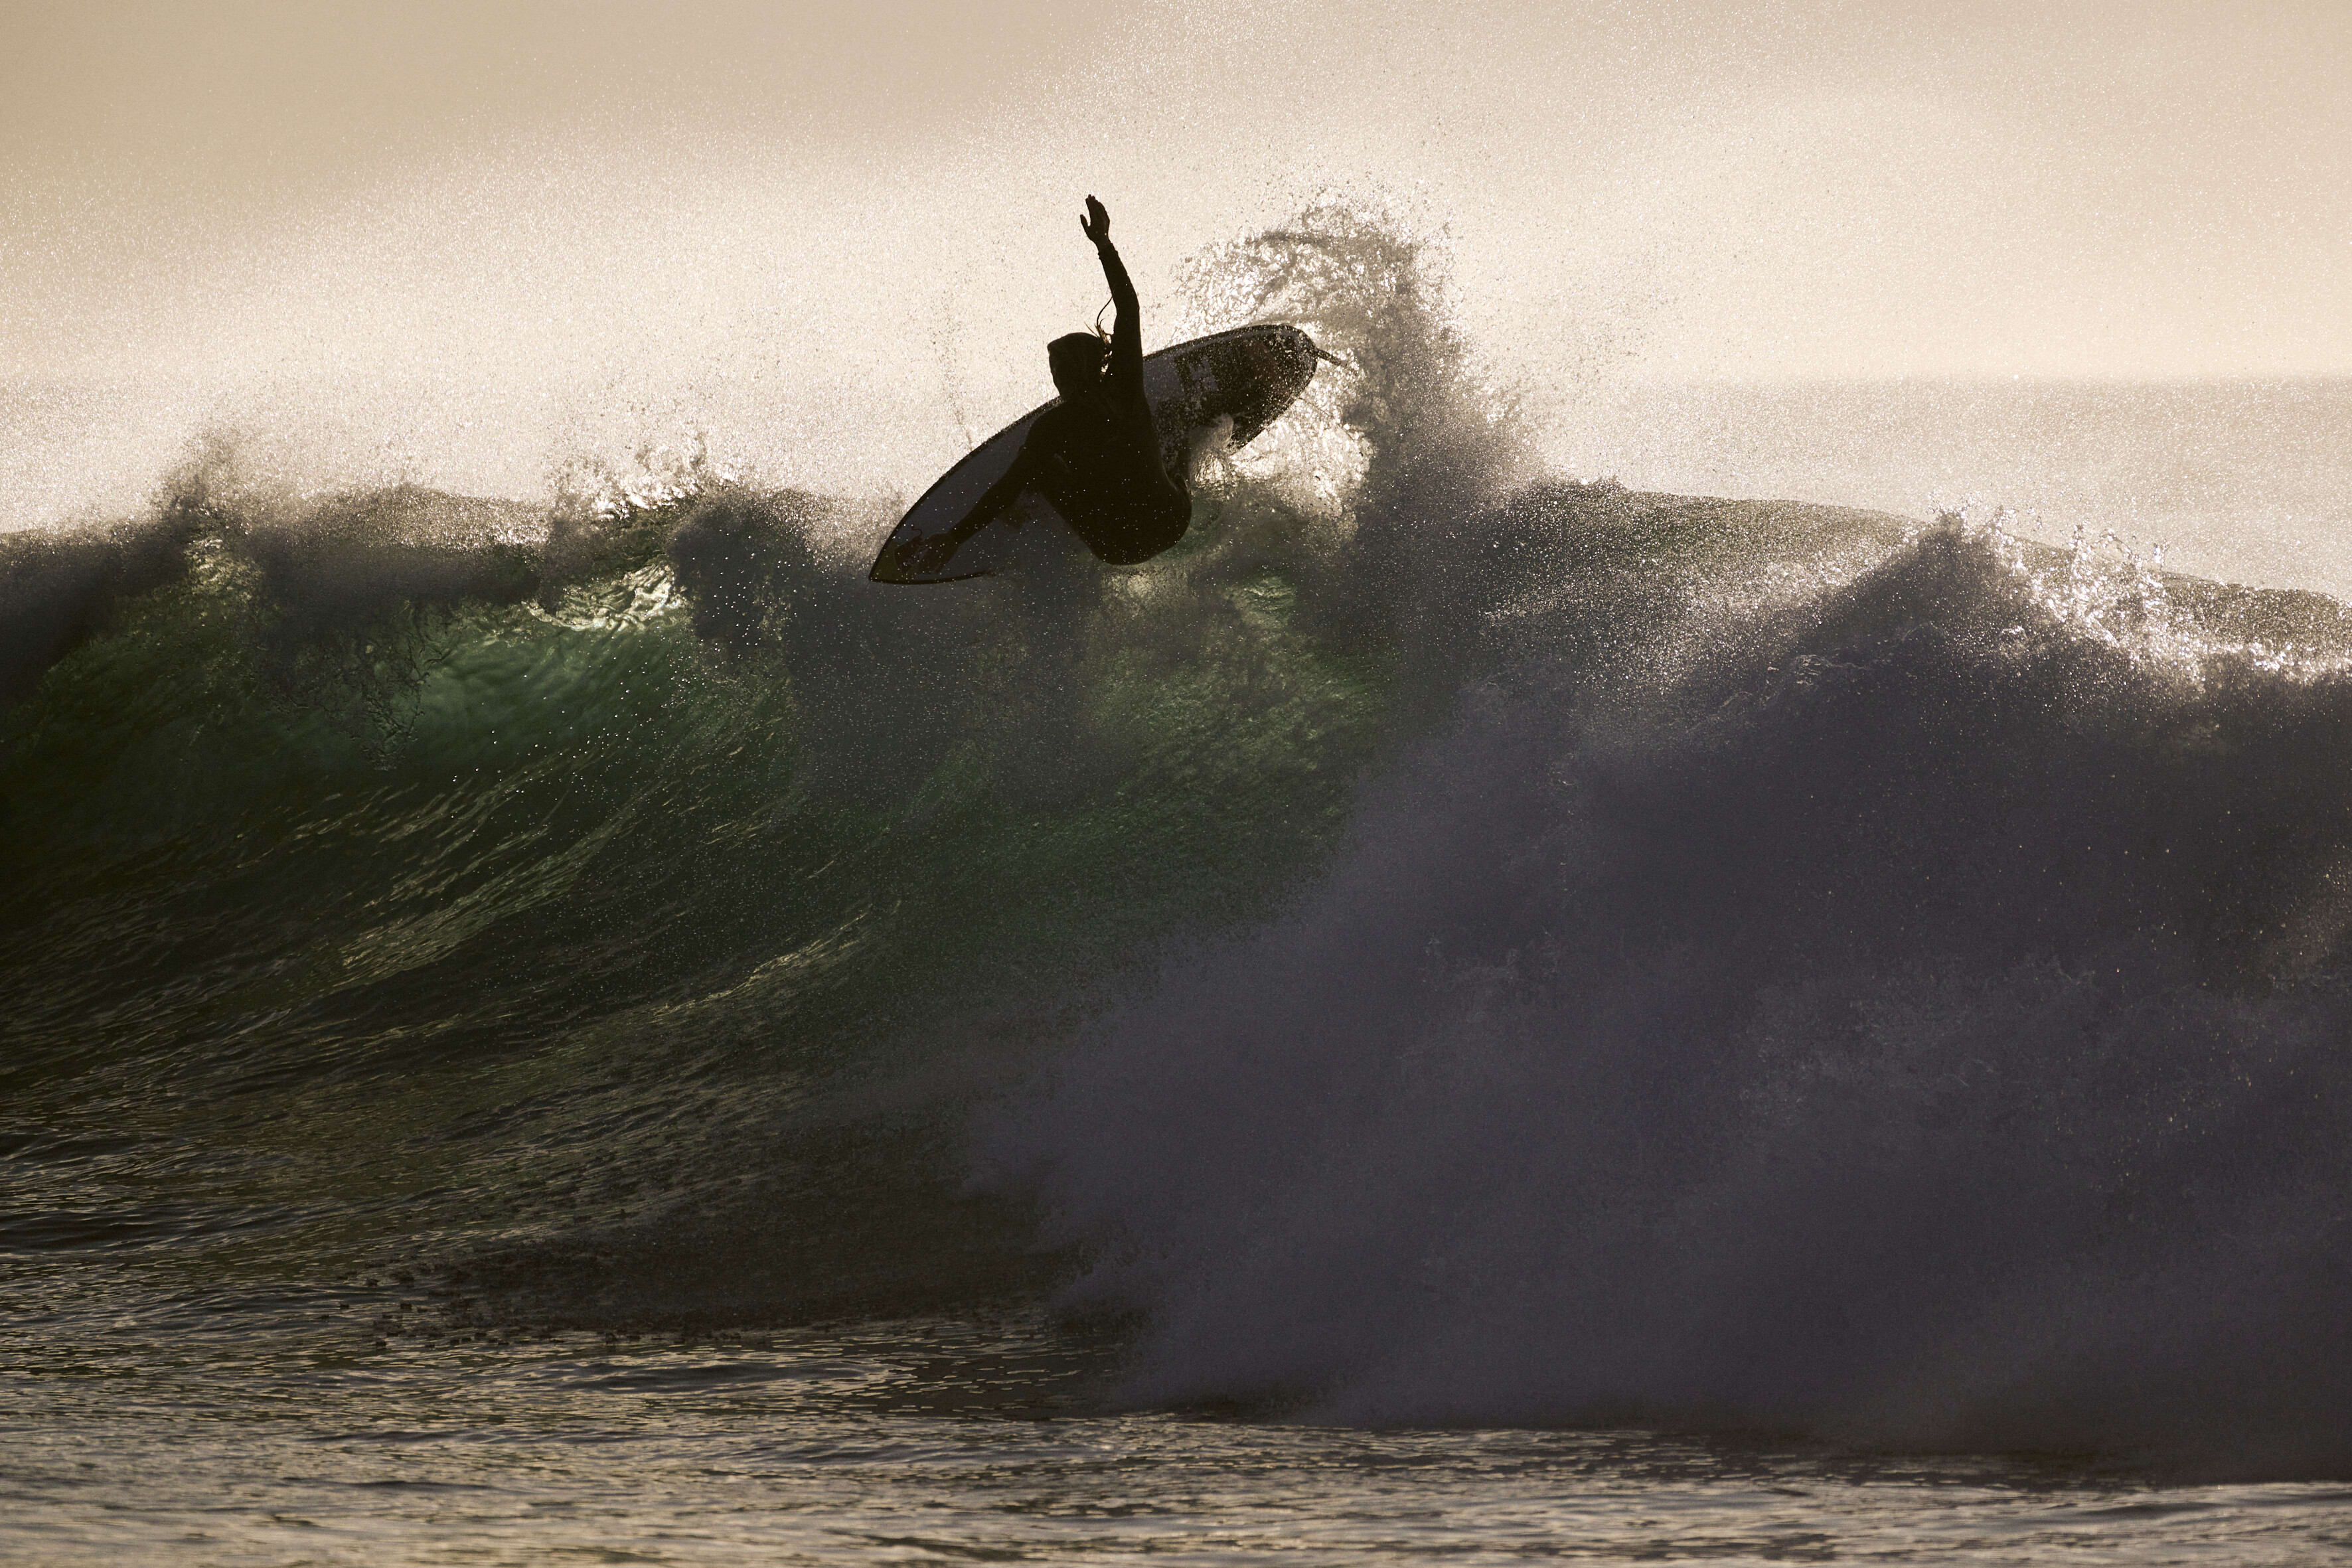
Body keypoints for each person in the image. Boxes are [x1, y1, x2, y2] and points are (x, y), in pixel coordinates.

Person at [898, 196, 1190, 576]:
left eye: (1059, 371)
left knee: (1037, 469)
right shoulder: (1125, 384)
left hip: (1117, 547)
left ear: (1077, 371)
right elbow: (1129, 307)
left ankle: (1029, 507)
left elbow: (1005, 488)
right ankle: (1182, 460)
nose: (1055, 378)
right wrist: (1103, 244)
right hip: (1172, 521)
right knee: (1171, 425)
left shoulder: (1052, 428)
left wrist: (956, 537)